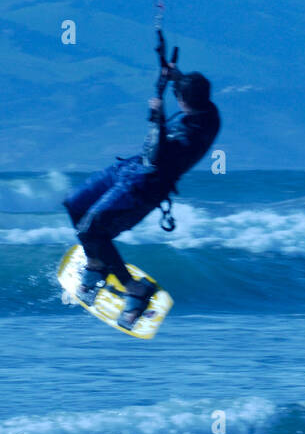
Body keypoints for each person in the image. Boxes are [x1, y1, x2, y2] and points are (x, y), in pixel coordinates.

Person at [64, 64, 220, 327]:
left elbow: (155, 157)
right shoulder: (209, 109)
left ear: (184, 102)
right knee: (74, 203)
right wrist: (176, 76)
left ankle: (135, 290)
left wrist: (156, 116)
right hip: (130, 168)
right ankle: (96, 265)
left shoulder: (195, 134)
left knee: (90, 230)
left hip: (147, 184)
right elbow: (189, 92)